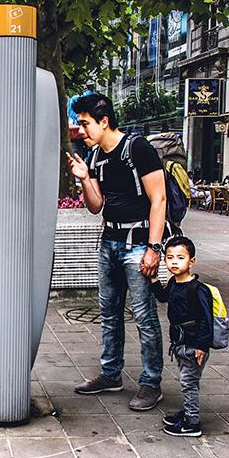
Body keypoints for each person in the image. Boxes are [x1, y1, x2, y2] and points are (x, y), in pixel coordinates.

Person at [65, 92, 167, 411]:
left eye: (85, 124)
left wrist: (154, 248)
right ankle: (111, 374)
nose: (81, 131)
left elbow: (159, 199)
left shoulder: (137, 148)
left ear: (104, 121)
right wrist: (83, 179)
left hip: (137, 244)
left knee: (144, 315)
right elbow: (96, 206)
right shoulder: (95, 157)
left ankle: (151, 383)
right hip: (108, 242)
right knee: (109, 313)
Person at [149, 236, 213, 437]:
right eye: (169, 257)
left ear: (191, 261)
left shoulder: (198, 289)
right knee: (187, 381)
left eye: (180, 257)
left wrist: (202, 346)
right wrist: (153, 279)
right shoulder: (174, 283)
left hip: (193, 345)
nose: (174, 262)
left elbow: (206, 319)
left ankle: (192, 423)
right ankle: (188, 413)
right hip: (180, 343)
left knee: (189, 383)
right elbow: (163, 297)